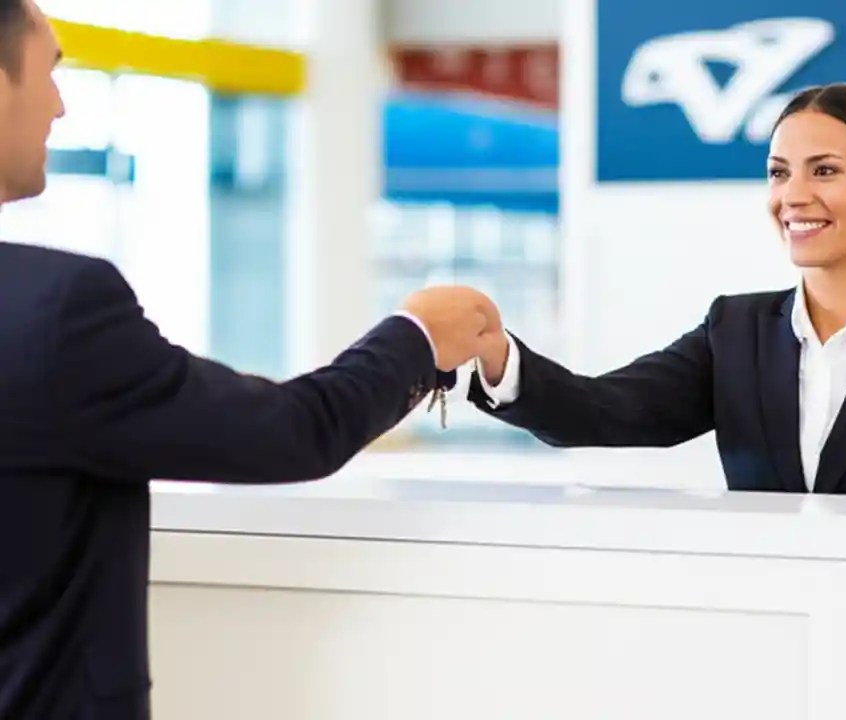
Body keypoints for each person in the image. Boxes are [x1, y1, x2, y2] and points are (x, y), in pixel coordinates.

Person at [0, 2, 500, 717]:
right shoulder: (54, 311)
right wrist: (418, 336)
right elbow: (291, 431)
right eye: (48, 72)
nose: (59, 104)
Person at [469, 83, 846, 500]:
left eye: (825, 171)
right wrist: (494, 353)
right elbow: (598, 411)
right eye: (779, 173)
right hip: (774, 633)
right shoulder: (735, 334)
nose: (793, 195)